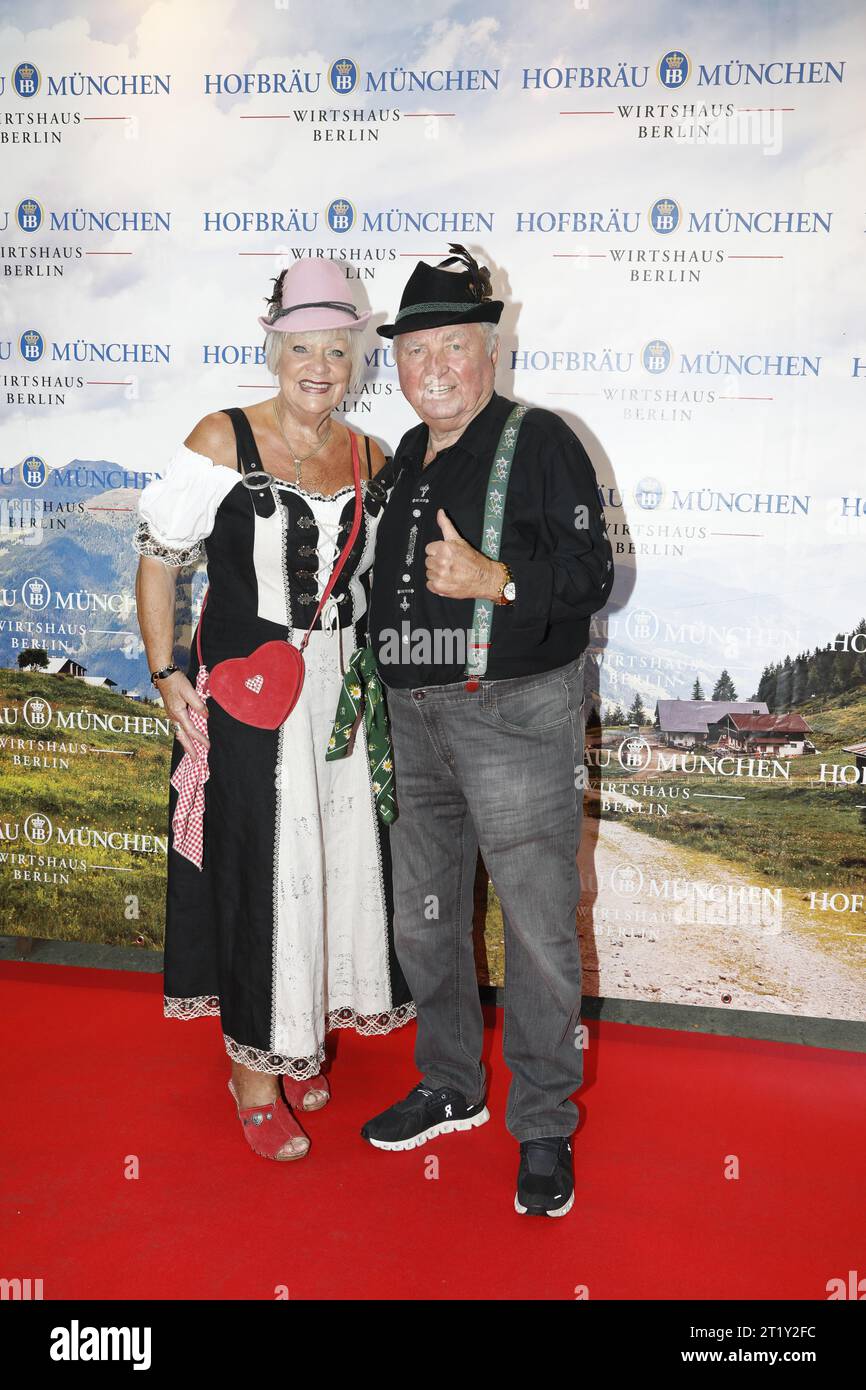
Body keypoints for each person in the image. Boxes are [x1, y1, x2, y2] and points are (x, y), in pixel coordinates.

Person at [133, 260, 413, 1162]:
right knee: (259, 865)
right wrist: (166, 670)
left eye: (338, 350)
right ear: (273, 348)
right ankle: (252, 1073)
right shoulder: (223, 438)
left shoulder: (372, 455)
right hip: (251, 691)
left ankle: (300, 1032)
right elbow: (159, 556)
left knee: (329, 862)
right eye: (303, 348)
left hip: (341, 693)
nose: (320, 366)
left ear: (359, 356)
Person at [360, 246, 614, 1216]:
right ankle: (451, 1082)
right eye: (414, 350)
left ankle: (543, 1122)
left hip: (511, 714)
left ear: (490, 350)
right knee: (421, 921)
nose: (431, 368)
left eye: (451, 347)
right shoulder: (402, 457)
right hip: (413, 719)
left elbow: (589, 575)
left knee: (539, 930)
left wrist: (497, 579)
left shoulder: (539, 439)